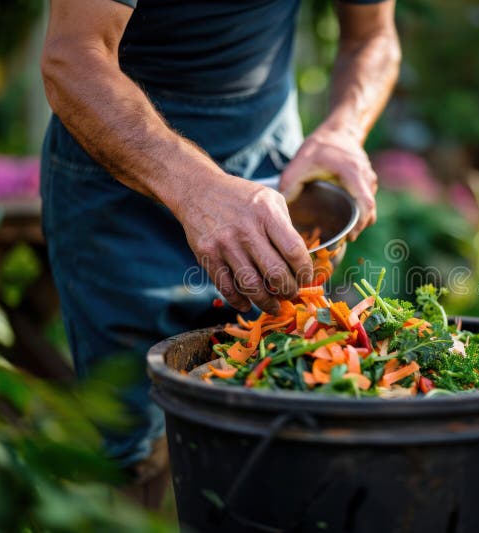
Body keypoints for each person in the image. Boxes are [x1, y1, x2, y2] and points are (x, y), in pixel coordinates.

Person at [39, 0, 400, 506]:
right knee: (124, 456)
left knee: (275, 432)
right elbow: (72, 59)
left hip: (271, 174)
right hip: (117, 180)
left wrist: (343, 131)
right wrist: (200, 191)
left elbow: (371, 38)